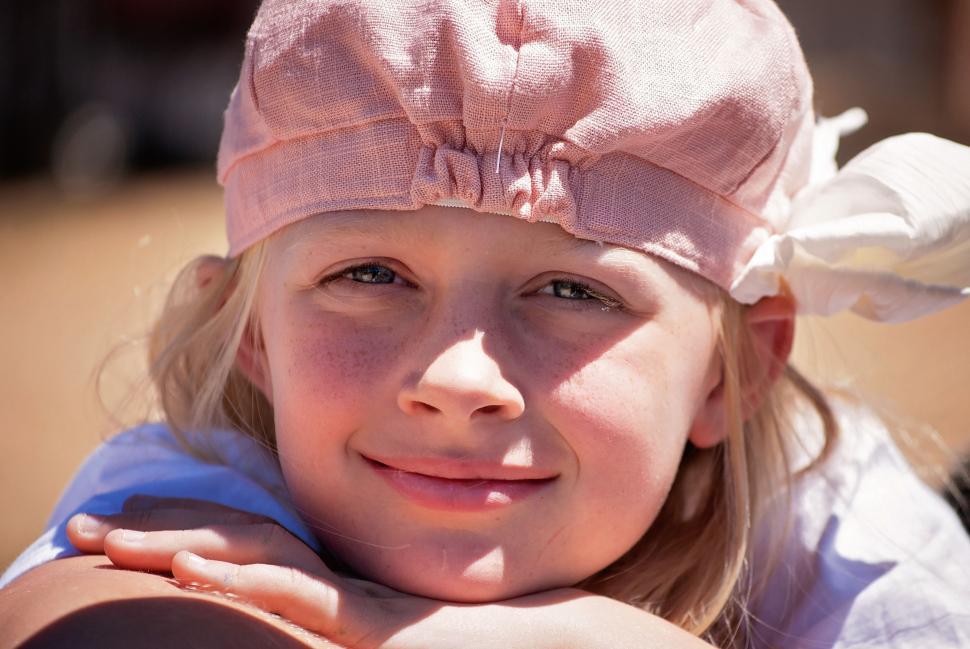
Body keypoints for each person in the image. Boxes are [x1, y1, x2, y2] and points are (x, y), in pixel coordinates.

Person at [2, 1, 969, 647]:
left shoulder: (856, 546)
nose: (458, 377)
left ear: (735, 372)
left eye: (572, 291)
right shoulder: (199, 497)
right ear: (250, 333)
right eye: (370, 273)